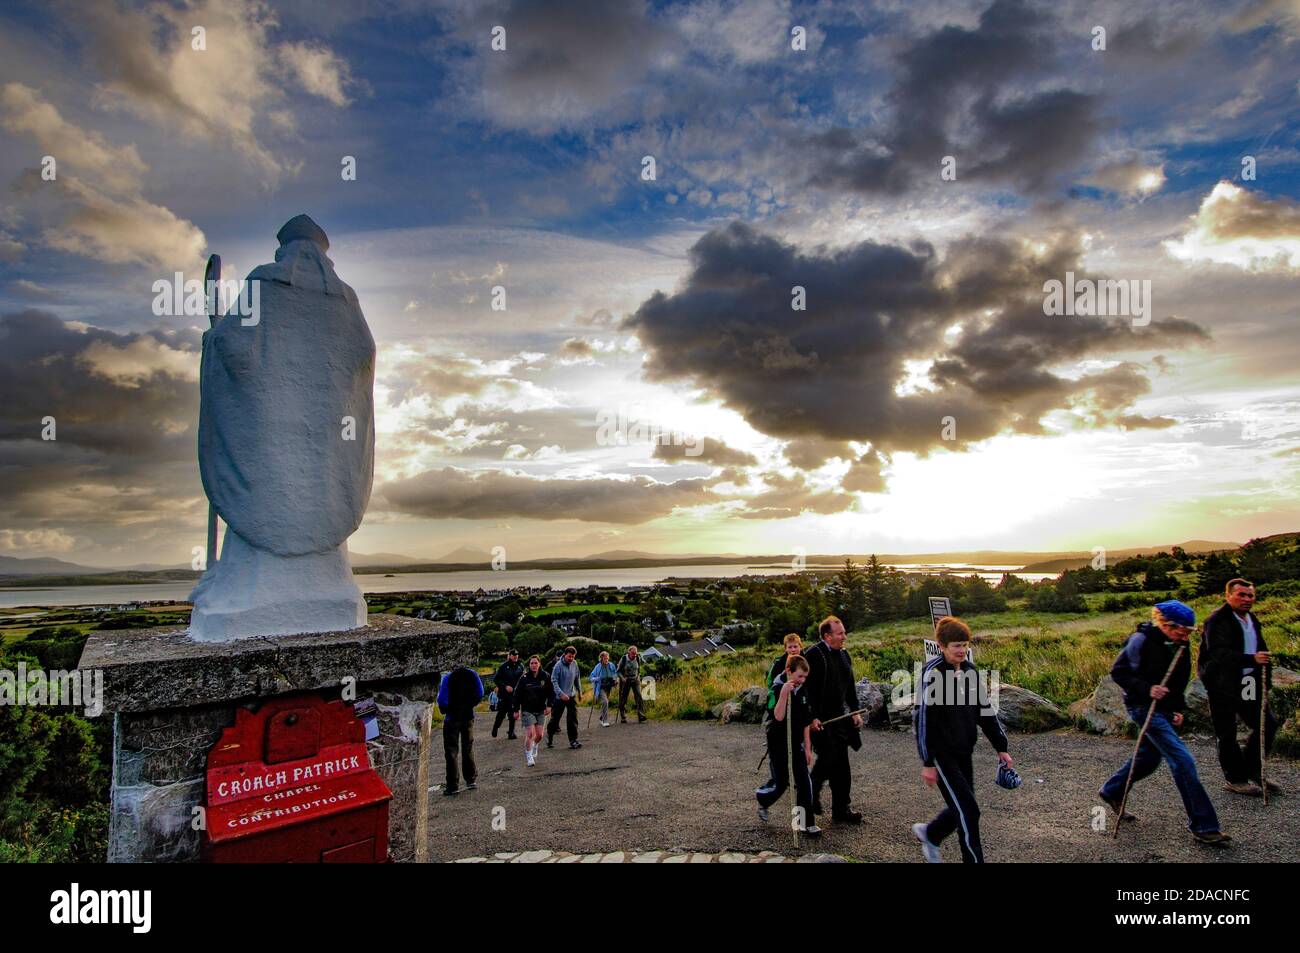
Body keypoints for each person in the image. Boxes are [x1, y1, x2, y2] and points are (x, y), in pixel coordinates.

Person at [1098, 600, 1231, 847]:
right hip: (1142, 706)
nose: (1184, 634)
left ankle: (1112, 790)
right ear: (1164, 623)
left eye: (1189, 630)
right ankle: (1204, 826)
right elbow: (1119, 673)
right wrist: (1148, 689)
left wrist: (1177, 708)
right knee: (1183, 761)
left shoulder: (1181, 644)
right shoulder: (1141, 639)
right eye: (1179, 629)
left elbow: (1179, 679)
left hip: (1164, 709)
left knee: (1148, 758)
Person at [911, 616, 1012, 863]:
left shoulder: (969, 670)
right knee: (969, 810)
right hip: (942, 754)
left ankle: (931, 833)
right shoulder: (932, 673)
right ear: (942, 646)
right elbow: (922, 720)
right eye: (956, 645)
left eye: (965, 644)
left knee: (965, 807)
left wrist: (1001, 747)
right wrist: (927, 761)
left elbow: (984, 710)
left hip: (964, 750)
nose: (962, 650)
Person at [1197, 579, 1279, 796]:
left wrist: (1265, 679)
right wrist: (1252, 659)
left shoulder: (1251, 619)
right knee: (1227, 732)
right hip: (1222, 684)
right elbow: (1218, 653)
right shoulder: (1217, 620)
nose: (1247, 599)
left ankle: (1253, 770)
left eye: (1250, 595)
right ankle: (1235, 779)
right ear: (1228, 596)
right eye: (1241, 595)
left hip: (1248, 682)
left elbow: (1261, 650)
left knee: (1265, 724)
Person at [803, 615, 862, 824]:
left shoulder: (844, 655)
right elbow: (804, 688)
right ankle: (811, 792)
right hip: (818, 720)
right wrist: (811, 717)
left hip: (839, 717)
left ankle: (841, 809)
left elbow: (850, 685)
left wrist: (854, 710)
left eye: (844, 632)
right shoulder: (813, 655)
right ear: (827, 636)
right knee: (829, 758)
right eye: (840, 633)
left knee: (842, 766)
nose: (844, 636)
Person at [755, 654, 820, 837]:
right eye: (799, 676)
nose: (802, 680)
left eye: (805, 677)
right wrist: (784, 693)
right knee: (782, 782)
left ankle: (805, 822)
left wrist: (808, 749)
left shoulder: (803, 691)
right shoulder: (775, 689)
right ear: (788, 672)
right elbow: (778, 716)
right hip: (777, 742)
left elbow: (806, 722)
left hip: (796, 741)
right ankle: (763, 799)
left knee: (804, 781)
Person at [436, 663, 484, 796]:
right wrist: (470, 705)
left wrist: (445, 710)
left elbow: (442, 700)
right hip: (467, 715)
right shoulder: (472, 674)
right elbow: (480, 693)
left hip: (452, 717)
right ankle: (471, 779)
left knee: (451, 751)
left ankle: (453, 785)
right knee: (467, 747)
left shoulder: (448, 677)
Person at [514, 655, 553, 766]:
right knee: (531, 733)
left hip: (541, 709)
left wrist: (549, 705)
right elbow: (517, 694)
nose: (534, 665)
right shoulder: (524, 678)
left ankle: (535, 745)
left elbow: (551, 693)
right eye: (531, 663)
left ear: (539, 664)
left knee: (539, 735)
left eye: (536, 663)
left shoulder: (545, 676)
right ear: (529, 665)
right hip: (527, 709)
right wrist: (516, 710)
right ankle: (529, 756)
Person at [547, 645, 583, 749]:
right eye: (569, 656)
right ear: (565, 655)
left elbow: (577, 678)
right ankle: (549, 735)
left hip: (571, 695)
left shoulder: (574, 664)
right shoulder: (558, 666)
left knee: (572, 718)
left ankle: (573, 740)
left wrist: (579, 691)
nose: (571, 659)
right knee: (555, 719)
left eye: (573, 657)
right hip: (559, 697)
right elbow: (554, 680)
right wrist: (561, 694)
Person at [491, 649, 524, 740]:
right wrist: (505, 686)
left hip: (514, 695)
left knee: (512, 714)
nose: (515, 656)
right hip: (504, 695)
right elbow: (496, 679)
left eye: (516, 655)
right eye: (513, 655)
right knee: (501, 714)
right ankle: (495, 727)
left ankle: (511, 733)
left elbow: (522, 679)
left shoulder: (520, 666)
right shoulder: (503, 667)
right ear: (509, 656)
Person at [616, 645, 647, 723]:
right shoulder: (623, 659)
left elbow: (639, 669)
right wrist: (622, 678)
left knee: (639, 695)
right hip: (625, 680)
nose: (634, 655)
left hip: (635, 679)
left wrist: (638, 676)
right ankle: (623, 716)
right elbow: (618, 671)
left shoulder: (637, 658)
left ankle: (641, 715)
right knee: (623, 698)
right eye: (633, 653)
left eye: (636, 653)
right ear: (629, 652)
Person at [589, 651, 619, 727]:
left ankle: (601, 718)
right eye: (605, 658)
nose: (606, 660)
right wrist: (597, 678)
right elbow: (591, 678)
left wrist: (615, 680)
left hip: (608, 686)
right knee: (605, 702)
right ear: (601, 658)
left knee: (604, 703)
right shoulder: (598, 667)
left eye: (607, 658)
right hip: (601, 687)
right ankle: (605, 720)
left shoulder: (611, 665)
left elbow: (615, 673)